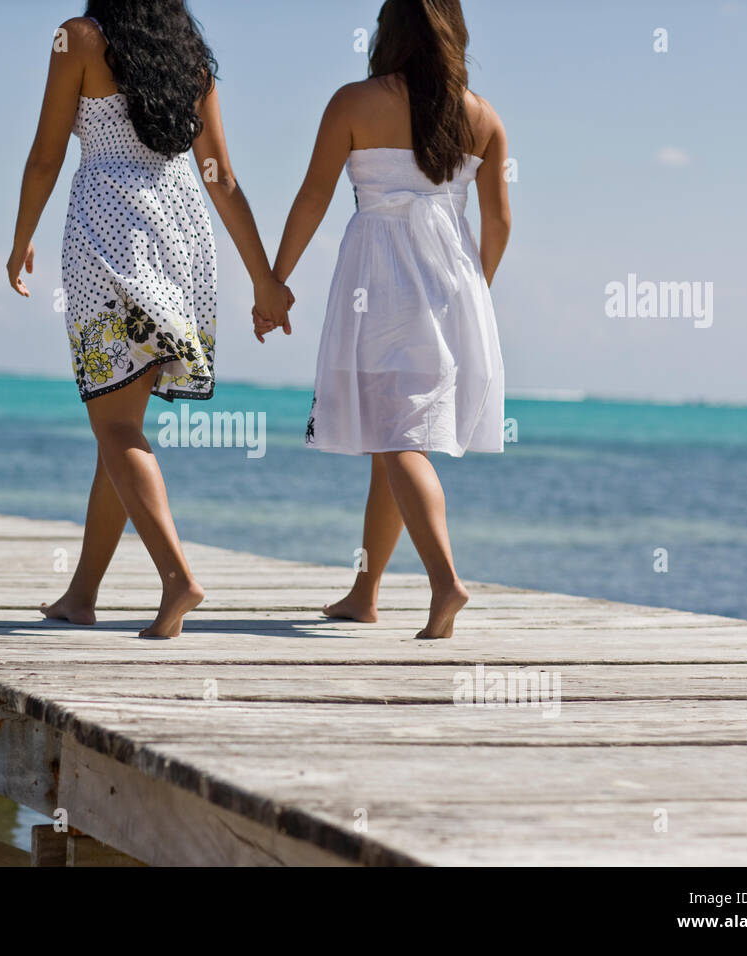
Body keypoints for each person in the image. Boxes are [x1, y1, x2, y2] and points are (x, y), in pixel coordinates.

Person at [7, 1, 292, 637]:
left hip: (110, 233)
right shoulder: (189, 57)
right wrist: (263, 279)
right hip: (180, 232)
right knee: (122, 422)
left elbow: (45, 155)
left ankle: (177, 579)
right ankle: (82, 595)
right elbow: (220, 175)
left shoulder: (78, 39)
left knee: (112, 425)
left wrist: (21, 235)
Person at [257, 0, 510, 639]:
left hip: (381, 279)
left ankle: (445, 580)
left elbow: (313, 195)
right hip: (451, 280)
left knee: (398, 436)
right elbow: (500, 222)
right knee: (393, 432)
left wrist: (275, 281)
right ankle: (365, 591)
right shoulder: (482, 116)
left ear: (388, 31)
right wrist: (475, 293)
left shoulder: (353, 101)